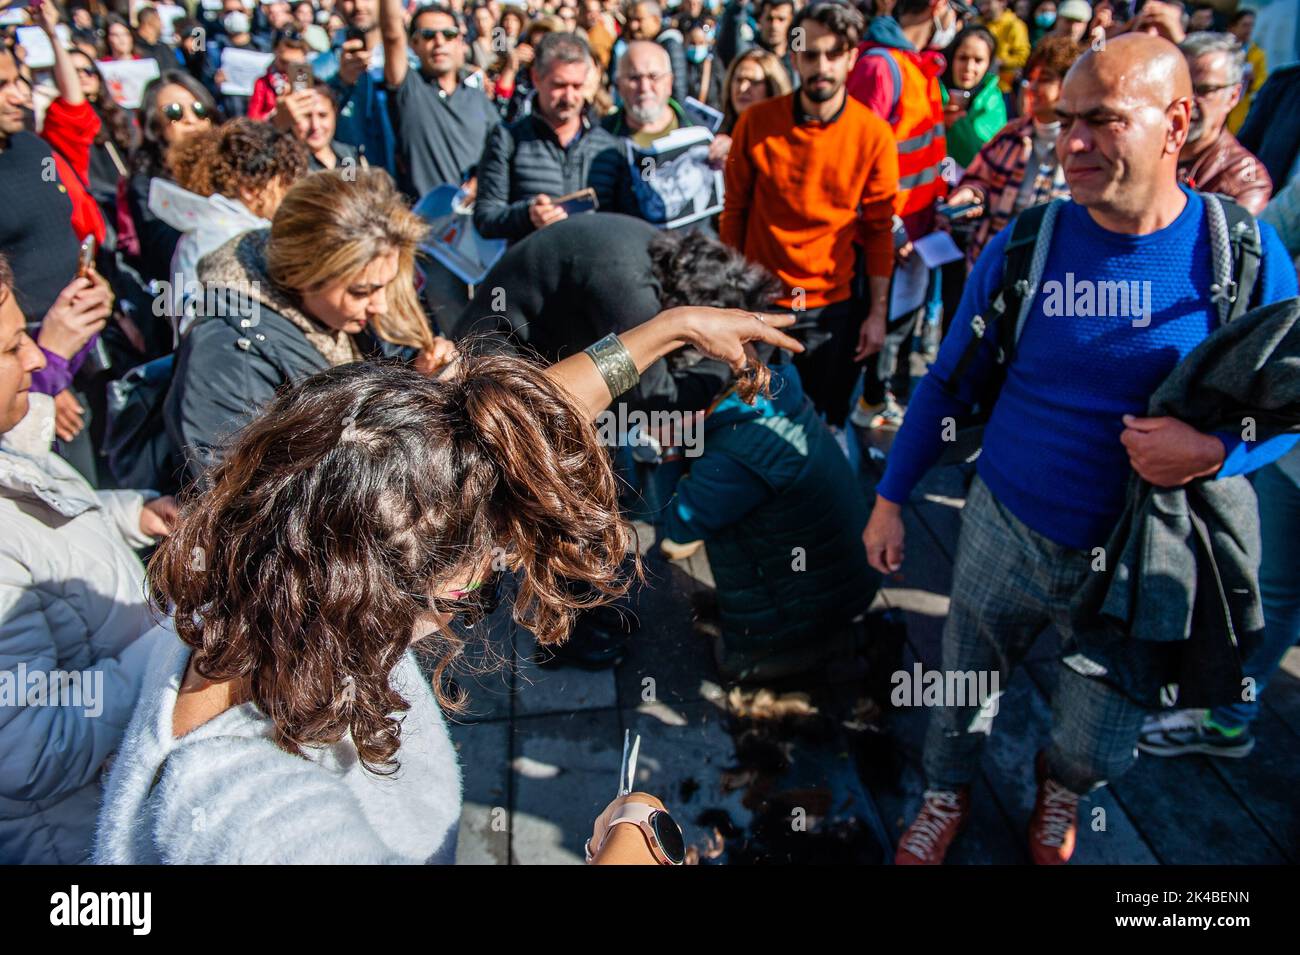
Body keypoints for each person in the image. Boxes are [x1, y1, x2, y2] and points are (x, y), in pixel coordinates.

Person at [95, 302, 801, 865]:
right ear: (381, 586)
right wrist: (639, 838)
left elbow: (499, 439)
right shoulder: (244, 808)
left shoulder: (271, 570)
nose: (478, 601)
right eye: (477, 590)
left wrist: (669, 328)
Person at [863, 33, 1297, 866]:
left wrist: (1209, 449)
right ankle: (943, 794)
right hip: (1002, 528)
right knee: (957, 694)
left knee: (1100, 741)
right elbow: (948, 383)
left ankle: (1061, 790)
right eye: (1065, 121)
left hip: (1138, 562)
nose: (1072, 143)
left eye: (1103, 120)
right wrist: (891, 495)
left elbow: (1286, 409)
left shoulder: (1243, 257)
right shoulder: (1028, 246)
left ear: (1176, 125)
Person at [0, 253, 177, 864]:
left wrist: (131, 514)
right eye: (8, 348)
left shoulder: (7, 448)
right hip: (74, 844)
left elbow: (44, 521)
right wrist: (173, 642)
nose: (34, 359)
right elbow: (33, 748)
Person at [165, 168, 456, 481]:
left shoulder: (340, 309)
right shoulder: (231, 354)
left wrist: (418, 374)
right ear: (301, 275)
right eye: (362, 291)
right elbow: (235, 495)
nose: (381, 305)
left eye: (385, 285)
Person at [721, 2, 898, 429]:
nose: (822, 66)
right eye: (811, 53)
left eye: (834, 53)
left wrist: (877, 314)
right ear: (794, 56)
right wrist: (730, 299)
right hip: (760, 302)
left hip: (831, 310)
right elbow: (735, 213)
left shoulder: (872, 134)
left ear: (852, 57)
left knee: (823, 425)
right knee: (751, 422)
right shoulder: (757, 123)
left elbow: (878, 231)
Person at [846, 0, 958, 430]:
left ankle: (877, 400)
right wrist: (890, 228)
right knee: (878, 328)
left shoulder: (918, 66)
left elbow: (922, 158)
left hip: (919, 233)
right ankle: (864, 410)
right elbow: (859, 162)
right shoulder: (881, 68)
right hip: (886, 238)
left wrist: (938, 210)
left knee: (898, 326)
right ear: (935, 7)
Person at [150, 118, 309, 335]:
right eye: (284, 184)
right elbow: (199, 324)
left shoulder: (215, 226)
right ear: (251, 188)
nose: (291, 193)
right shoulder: (222, 236)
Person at [474, 32, 629, 242]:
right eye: (559, 85)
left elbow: (627, 219)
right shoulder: (507, 138)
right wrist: (528, 215)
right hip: (532, 268)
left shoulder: (609, 145)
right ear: (536, 78)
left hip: (593, 268)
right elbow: (486, 218)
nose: (569, 97)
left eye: (577, 86)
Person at [943, 35, 1081, 266]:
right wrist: (972, 193)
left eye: (1044, 80)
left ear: (1068, 86)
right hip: (991, 265)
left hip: (1049, 272)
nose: (1032, 88)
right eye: (1031, 79)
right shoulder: (1011, 135)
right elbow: (979, 178)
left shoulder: (1080, 148)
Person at [379, 0, 500, 199]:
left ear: (460, 41)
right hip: (424, 222)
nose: (439, 42)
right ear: (413, 45)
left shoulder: (479, 99)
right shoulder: (408, 88)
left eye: (449, 34)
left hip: (479, 220)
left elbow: (501, 152)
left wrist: (481, 180)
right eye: (428, 35)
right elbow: (392, 35)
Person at [124, 72, 218, 285]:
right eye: (174, 112)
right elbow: (164, 253)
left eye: (199, 109)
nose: (190, 119)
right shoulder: (148, 184)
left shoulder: (231, 167)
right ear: (154, 125)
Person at [1176, 32, 1271, 215]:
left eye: (1204, 90)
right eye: (1181, 86)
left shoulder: (1244, 181)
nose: (1188, 101)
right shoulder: (1142, 147)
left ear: (1234, 96)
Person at [312, 0, 397, 175]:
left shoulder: (407, 63)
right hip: (347, 178)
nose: (359, 6)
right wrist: (341, 83)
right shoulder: (319, 68)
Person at [603, 39, 696, 146]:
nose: (644, 88)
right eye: (634, 78)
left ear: (669, 82)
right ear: (619, 85)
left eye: (653, 77)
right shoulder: (598, 140)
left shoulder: (698, 131)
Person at [941, 25, 1006, 168]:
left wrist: (957, 124)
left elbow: (987, 161)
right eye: (963, 58)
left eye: (978, 60)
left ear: (989, 64)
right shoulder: (932, 90)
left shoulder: (992, 102)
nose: (969, 68)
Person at [274, 80, 364, 171]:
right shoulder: (286, 166)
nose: (315, 126)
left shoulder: (349, 157)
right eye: (306, 116)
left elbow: (353, 182)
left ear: (335, 113)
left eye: (322, 115)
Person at [716, 0, 797, 88]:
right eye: (769, 18)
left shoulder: (798, 58)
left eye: (781, 19)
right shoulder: (748, 54)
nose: (774, 25)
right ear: (760, 19)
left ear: (791, 22)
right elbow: (728, 41)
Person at [621, 0, 689, 105]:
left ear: (656, 20)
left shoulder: (670, 44)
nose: (633, 26)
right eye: (631, 20)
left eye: (639, 20)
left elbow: (678, 88)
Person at [247, 27, 313, 121]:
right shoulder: (262, 84)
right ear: (276, 54)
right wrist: (276, 114)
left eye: (295, 65)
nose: (287, 69)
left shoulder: (314, 84)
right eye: (284, 62)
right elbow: (253, 119)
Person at [1225, 9, 1265, 135]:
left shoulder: (1257, 54)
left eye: (1251, 25)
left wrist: (1253, 80)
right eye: (1245, 25)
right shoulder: (1221, 48)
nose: (1249, 29)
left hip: (1239, 109)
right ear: (1232, 27)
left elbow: (1261, 84)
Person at [978, 0, 1029, 95]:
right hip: (977, 83)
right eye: (981, 3)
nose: (983, 8)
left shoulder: (1014, 25)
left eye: (988, 3)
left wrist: (1000, 61)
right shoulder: (979, 22)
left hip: (1002, 88)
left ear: (1002, 2)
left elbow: (1022, 57)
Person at [134, 5, 179, 77]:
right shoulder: (134, 48)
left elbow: (176, 70)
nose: (162, 24)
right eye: (159, 19)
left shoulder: (164, 47)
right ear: (148, 23)